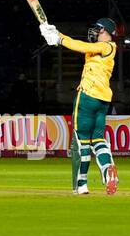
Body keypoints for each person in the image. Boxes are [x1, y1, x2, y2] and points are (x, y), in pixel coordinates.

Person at [40, 17, 119, 195]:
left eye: (98, 29)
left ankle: (82, 184)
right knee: (98, 140)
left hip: (87, 97)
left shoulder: (107, 46)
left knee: (82, 141)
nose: (94, 32)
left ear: (105, 31)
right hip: (103, 100)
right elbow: (81, 47)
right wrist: (54, 34)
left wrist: (59, 39)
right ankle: (107, 172)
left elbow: (82, 46)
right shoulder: (103, 50)